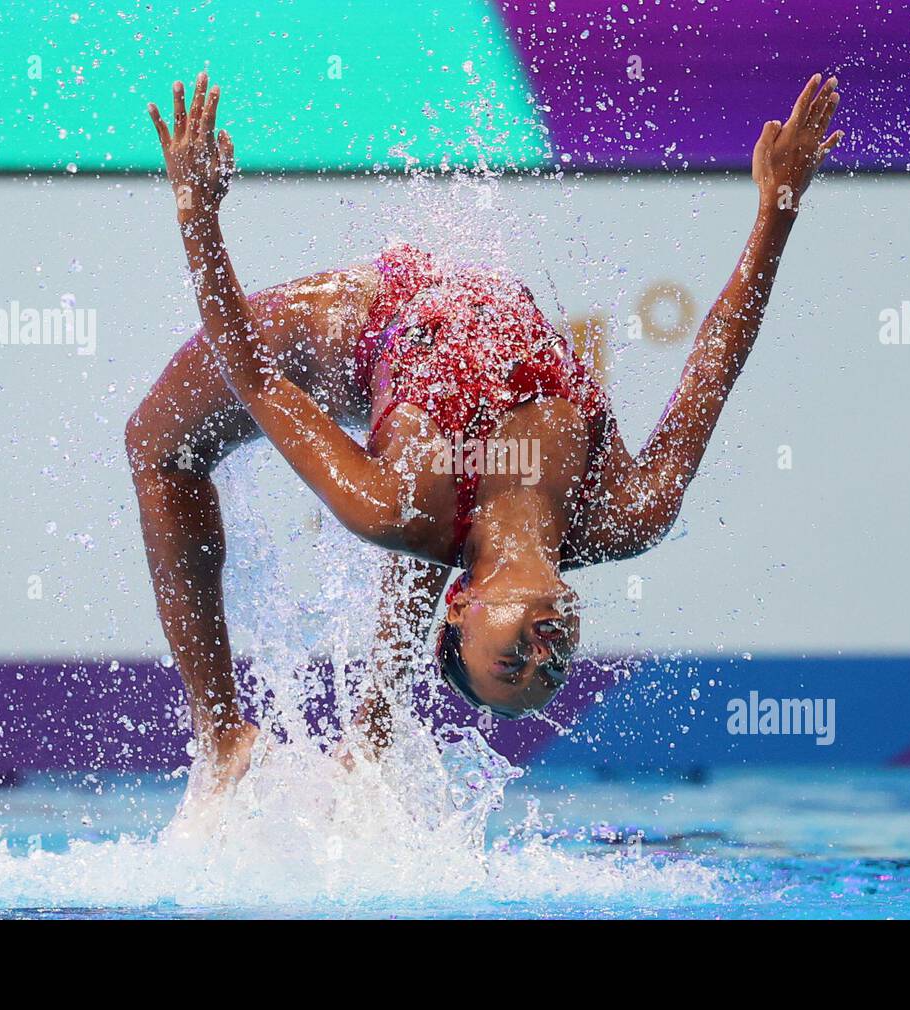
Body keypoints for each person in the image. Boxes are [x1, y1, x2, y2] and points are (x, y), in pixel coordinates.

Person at [127, 69, 843, 786]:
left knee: (155, 446)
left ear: (461, 611)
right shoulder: (626, 512)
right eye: (554, 668)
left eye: (512, 663)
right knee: (435, 518)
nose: (545, 652)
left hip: (358, 333)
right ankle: (374, 721)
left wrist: (196, 209)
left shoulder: (389, 506)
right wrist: (777, 209)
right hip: (442, 474)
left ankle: (220, 732)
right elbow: (713, 368)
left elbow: (257, 380)